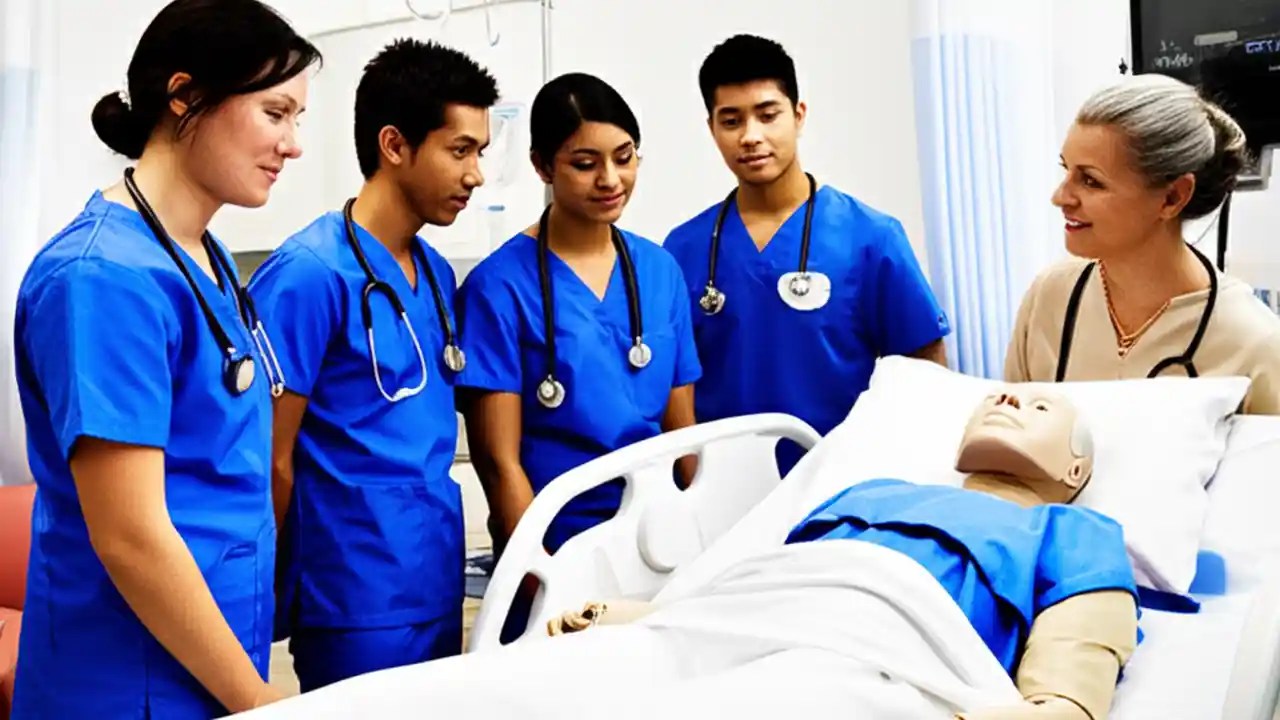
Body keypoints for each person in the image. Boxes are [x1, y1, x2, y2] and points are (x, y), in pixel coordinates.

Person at [227, 387, 1138, 720]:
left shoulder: (1075, 531)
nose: (1010, 401)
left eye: (1042, 409)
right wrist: (651, 616)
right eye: (997, 398)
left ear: (1078, 466)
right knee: (478, 692)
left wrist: (1056, 707)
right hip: (728, 629)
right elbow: (758, 588)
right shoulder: (863, 491)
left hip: (875, 660)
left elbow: (1075, 657)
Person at [9, 1, 319, 717]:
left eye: (298, 119)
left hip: (205, 660)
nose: (294, 144)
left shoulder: (203, 259)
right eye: (276, 114)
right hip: (124, 681)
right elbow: (132, 537)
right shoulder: (103, 279)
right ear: (185, 97)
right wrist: (264, 704)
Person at [244, 39, 497, 692]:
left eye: (481, 153)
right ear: (394, 145)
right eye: (460, 150)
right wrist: (266, 592)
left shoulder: (438, 275)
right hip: (352, 599)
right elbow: (268, 456)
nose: (476, 175)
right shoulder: (309, 275)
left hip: (435, 582)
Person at [663, 34, 951, 473]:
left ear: (798, 115)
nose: (751, 136)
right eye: (731, 120)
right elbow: (671, 391)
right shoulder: (683, 249)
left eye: (767, 114)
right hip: (720, 497)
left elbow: (926, 376)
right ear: (712, 129)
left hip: (840, 491)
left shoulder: (871, 238)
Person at [457, 72, 701, 562]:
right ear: (543, 167)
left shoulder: (660, 272)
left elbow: (684, 440)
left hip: (658, 543)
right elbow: (499, 464)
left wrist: (699, 537)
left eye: (624, 157)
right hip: (556, 547)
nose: (610, 180)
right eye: (585, 164)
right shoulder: (499, 287)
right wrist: (539, 576)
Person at [1005, 73, 1280, 414]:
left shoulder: (1254, 346)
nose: (1060, 197)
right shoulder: (1049, 299)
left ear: (1172, 198)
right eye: (1067, 171)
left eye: (1091, 181)